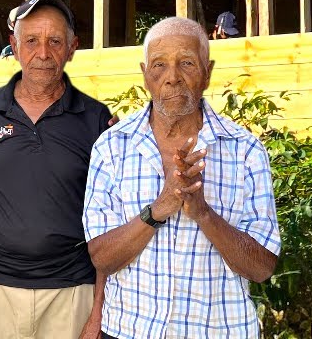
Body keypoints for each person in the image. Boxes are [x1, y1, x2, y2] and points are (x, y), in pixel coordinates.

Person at [83, 17, 279, 339]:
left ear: (207, 72)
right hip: (128, 331)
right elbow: (102, 257)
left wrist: (202, 212)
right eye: (159, 65)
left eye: (186, 63)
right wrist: (160, 207)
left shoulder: (245, 151)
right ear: (145, 74)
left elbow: (262, 268)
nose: (172, 77)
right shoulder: (112, 146)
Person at [0, 0, 112, 339]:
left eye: (55, 41)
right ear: (15, 47)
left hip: (71, 291)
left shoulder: (96, 120)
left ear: (72, 48)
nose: (43, 53)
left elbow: (112, 220)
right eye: (31, 41)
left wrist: (98, 311)